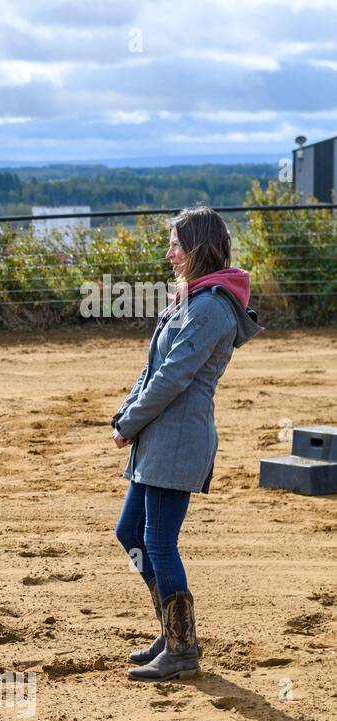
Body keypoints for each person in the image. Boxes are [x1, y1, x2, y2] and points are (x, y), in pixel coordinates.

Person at [111, 205, 263, 682]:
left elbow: (174, 377)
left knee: (157, 540)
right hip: (156, 437)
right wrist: (127, 411)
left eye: (176, 243)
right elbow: (153, 366)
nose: (169, 251)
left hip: (178, 440)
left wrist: (131, 421)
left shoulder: (212, 307)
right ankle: (171, 633)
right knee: (130, 534)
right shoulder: (190, 299)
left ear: (197, 248)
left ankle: (182, 650)